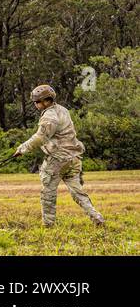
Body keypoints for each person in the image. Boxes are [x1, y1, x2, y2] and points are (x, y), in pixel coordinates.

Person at [15, 84, 105, 228]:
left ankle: (48, 225)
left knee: (48, 193)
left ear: (45, 101)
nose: (36, 105)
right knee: (78, 193)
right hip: (74, 158)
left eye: (37, 102)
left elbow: (40, 138)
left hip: (58, 159)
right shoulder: (63, 110)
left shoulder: (49, 117)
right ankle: (97, 218)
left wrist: (22, 149)